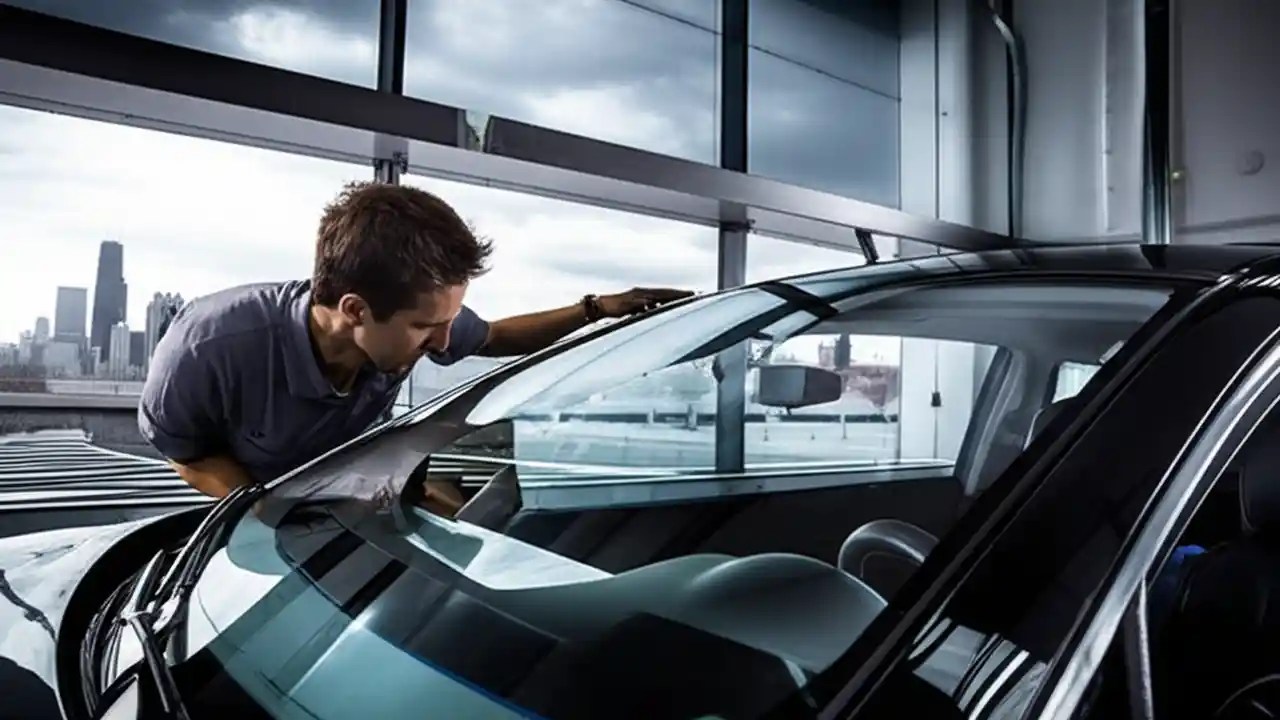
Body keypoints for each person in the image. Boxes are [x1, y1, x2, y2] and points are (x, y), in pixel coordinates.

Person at [139, 181, 691, 499]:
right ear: (354, 310)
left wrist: (595, 310)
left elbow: (495, 335)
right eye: (426, 327)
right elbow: (187, 455)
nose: (446, 340)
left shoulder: (412, 317)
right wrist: (266, 511)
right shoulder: (208, 345)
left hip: (354, 497)